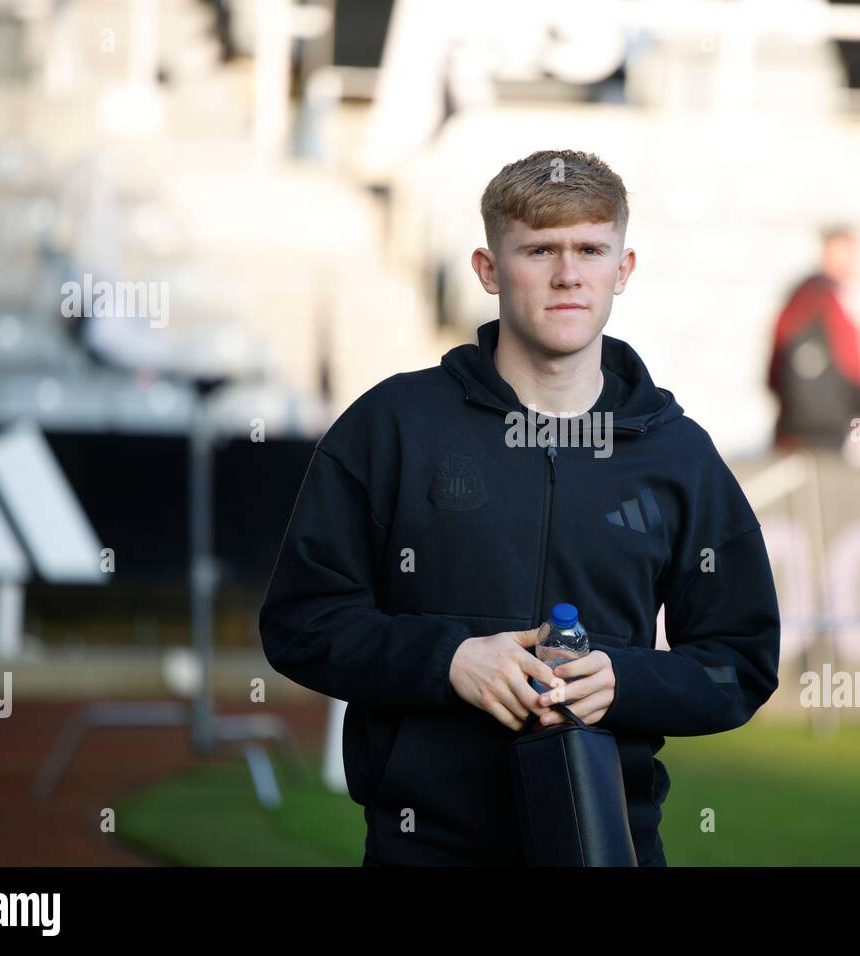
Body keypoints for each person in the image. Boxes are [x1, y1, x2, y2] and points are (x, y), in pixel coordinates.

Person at [259, 149, 782, 867]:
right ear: (488, 268)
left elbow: (739, 663)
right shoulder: (392, 427)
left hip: (608, 841)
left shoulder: (679, 455)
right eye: (539, 250)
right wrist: (450, 661)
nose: (568, 274)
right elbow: (301, 623)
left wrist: (624, 680)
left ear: (622, 270)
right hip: (425, 851)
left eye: (591, 250)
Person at [765, 226, 860, 456]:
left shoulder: (798, 296)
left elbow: (773, 371)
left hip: (792, 426)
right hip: (830, 429)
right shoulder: (831, 302)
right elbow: (853, 366)